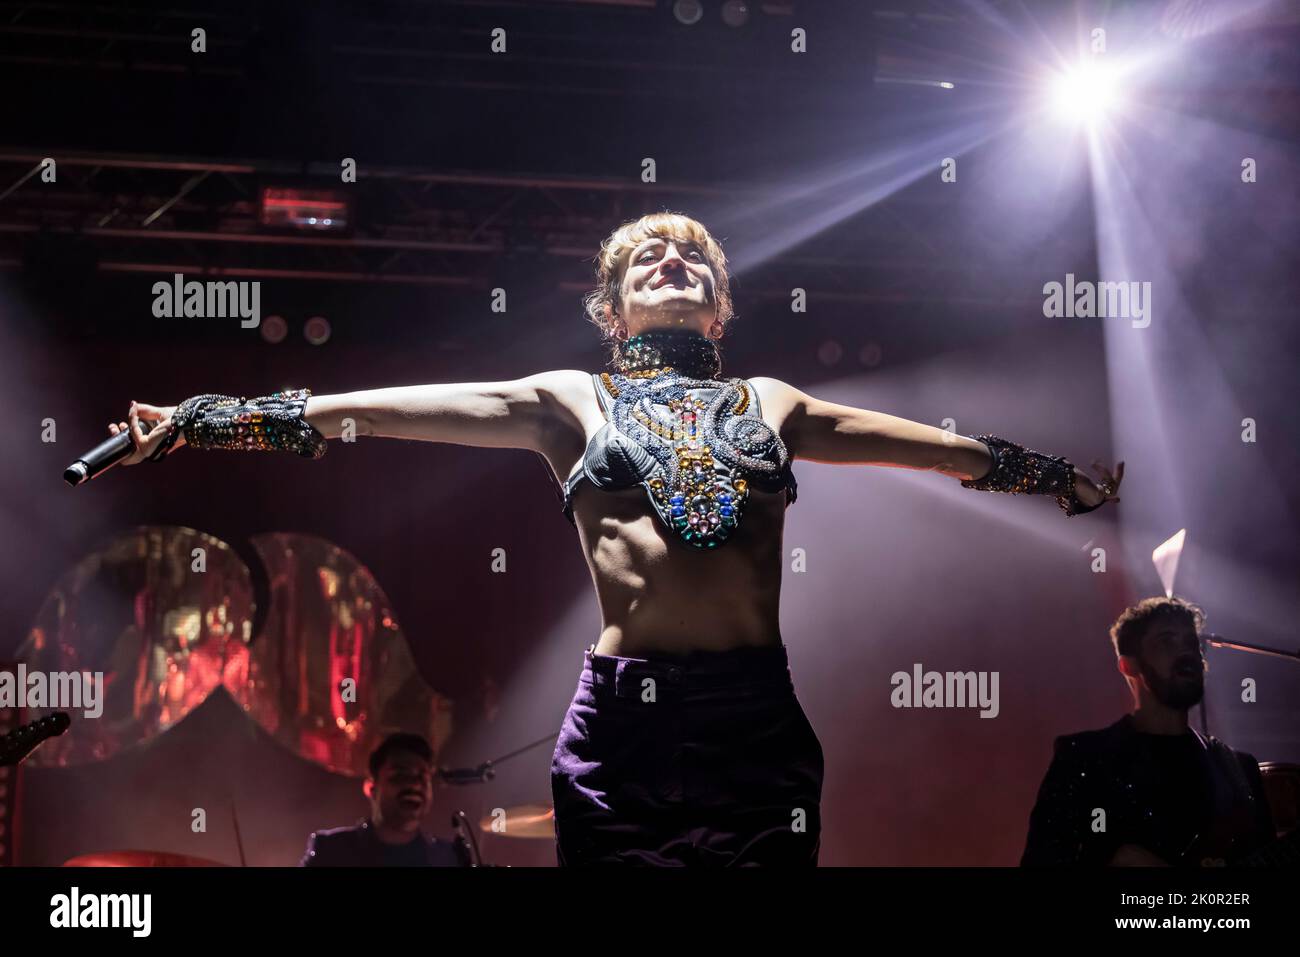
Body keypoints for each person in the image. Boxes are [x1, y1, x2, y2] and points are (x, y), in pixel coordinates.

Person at [109, 211, 1122, 866]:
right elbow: (379, 410)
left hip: (753, 722)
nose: (673, 261)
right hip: (621, 727)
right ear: (613, 307)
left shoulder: (769, 401)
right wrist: (210, 417)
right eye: (649, 256)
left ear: (719, 305)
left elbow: (934, 451)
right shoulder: (571, 398)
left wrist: (1055, 478)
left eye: (694, 257)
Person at [1021, 596, 1276, 866]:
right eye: (1166, 641)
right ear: (1128, 666)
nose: (1186, 653)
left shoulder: (1239, 769)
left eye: (1191, 643)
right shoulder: (1084, 759)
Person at [300, 733, 468, 867]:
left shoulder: (448, 857)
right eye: (401, 775)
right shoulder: (331, 850)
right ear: (371, 788)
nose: (414, 784)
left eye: (422, 777)